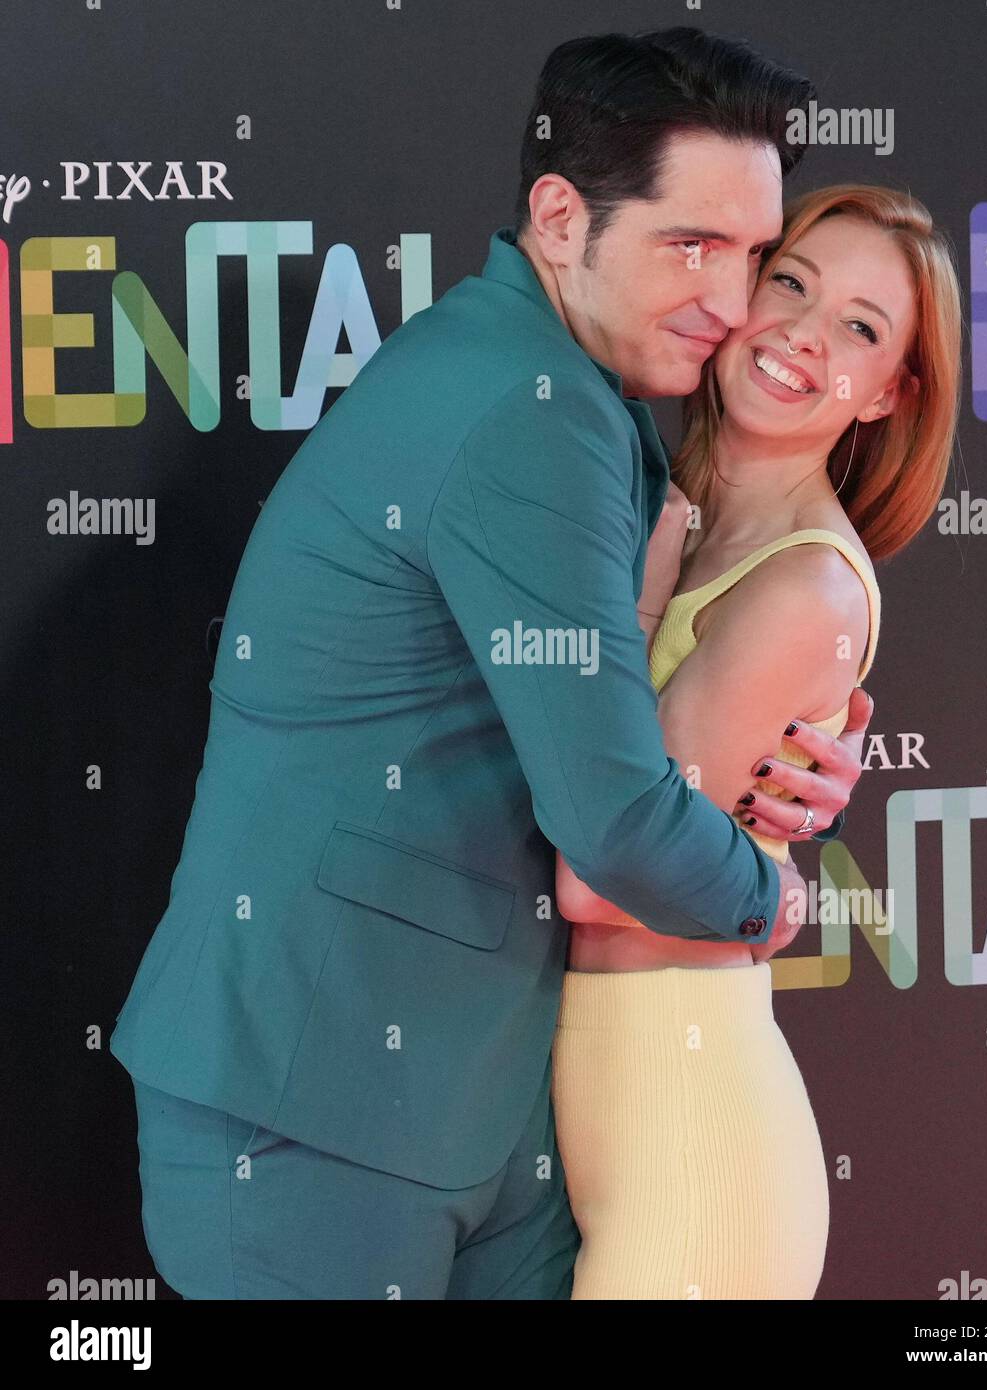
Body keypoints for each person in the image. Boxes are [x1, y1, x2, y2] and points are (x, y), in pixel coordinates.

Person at [109, 28, 873, 1299]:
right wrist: (776, 895)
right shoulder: (529, 408)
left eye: (751, 254)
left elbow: (616, 719)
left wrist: (758, 756)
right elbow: (617, 821)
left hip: (458, 1110)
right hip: (313, 1115)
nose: (735, 306)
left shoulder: (571, 386)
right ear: (561, 216)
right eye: (691, 245)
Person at [552, 183, 962, 1299]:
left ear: (887, 394)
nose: (800, 333)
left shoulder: (807, 586)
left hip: (695, 1154)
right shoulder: (654, 494)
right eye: (790, 282)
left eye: (859, 330)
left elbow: (601, 877)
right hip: (593, 1124)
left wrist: (635, 612)